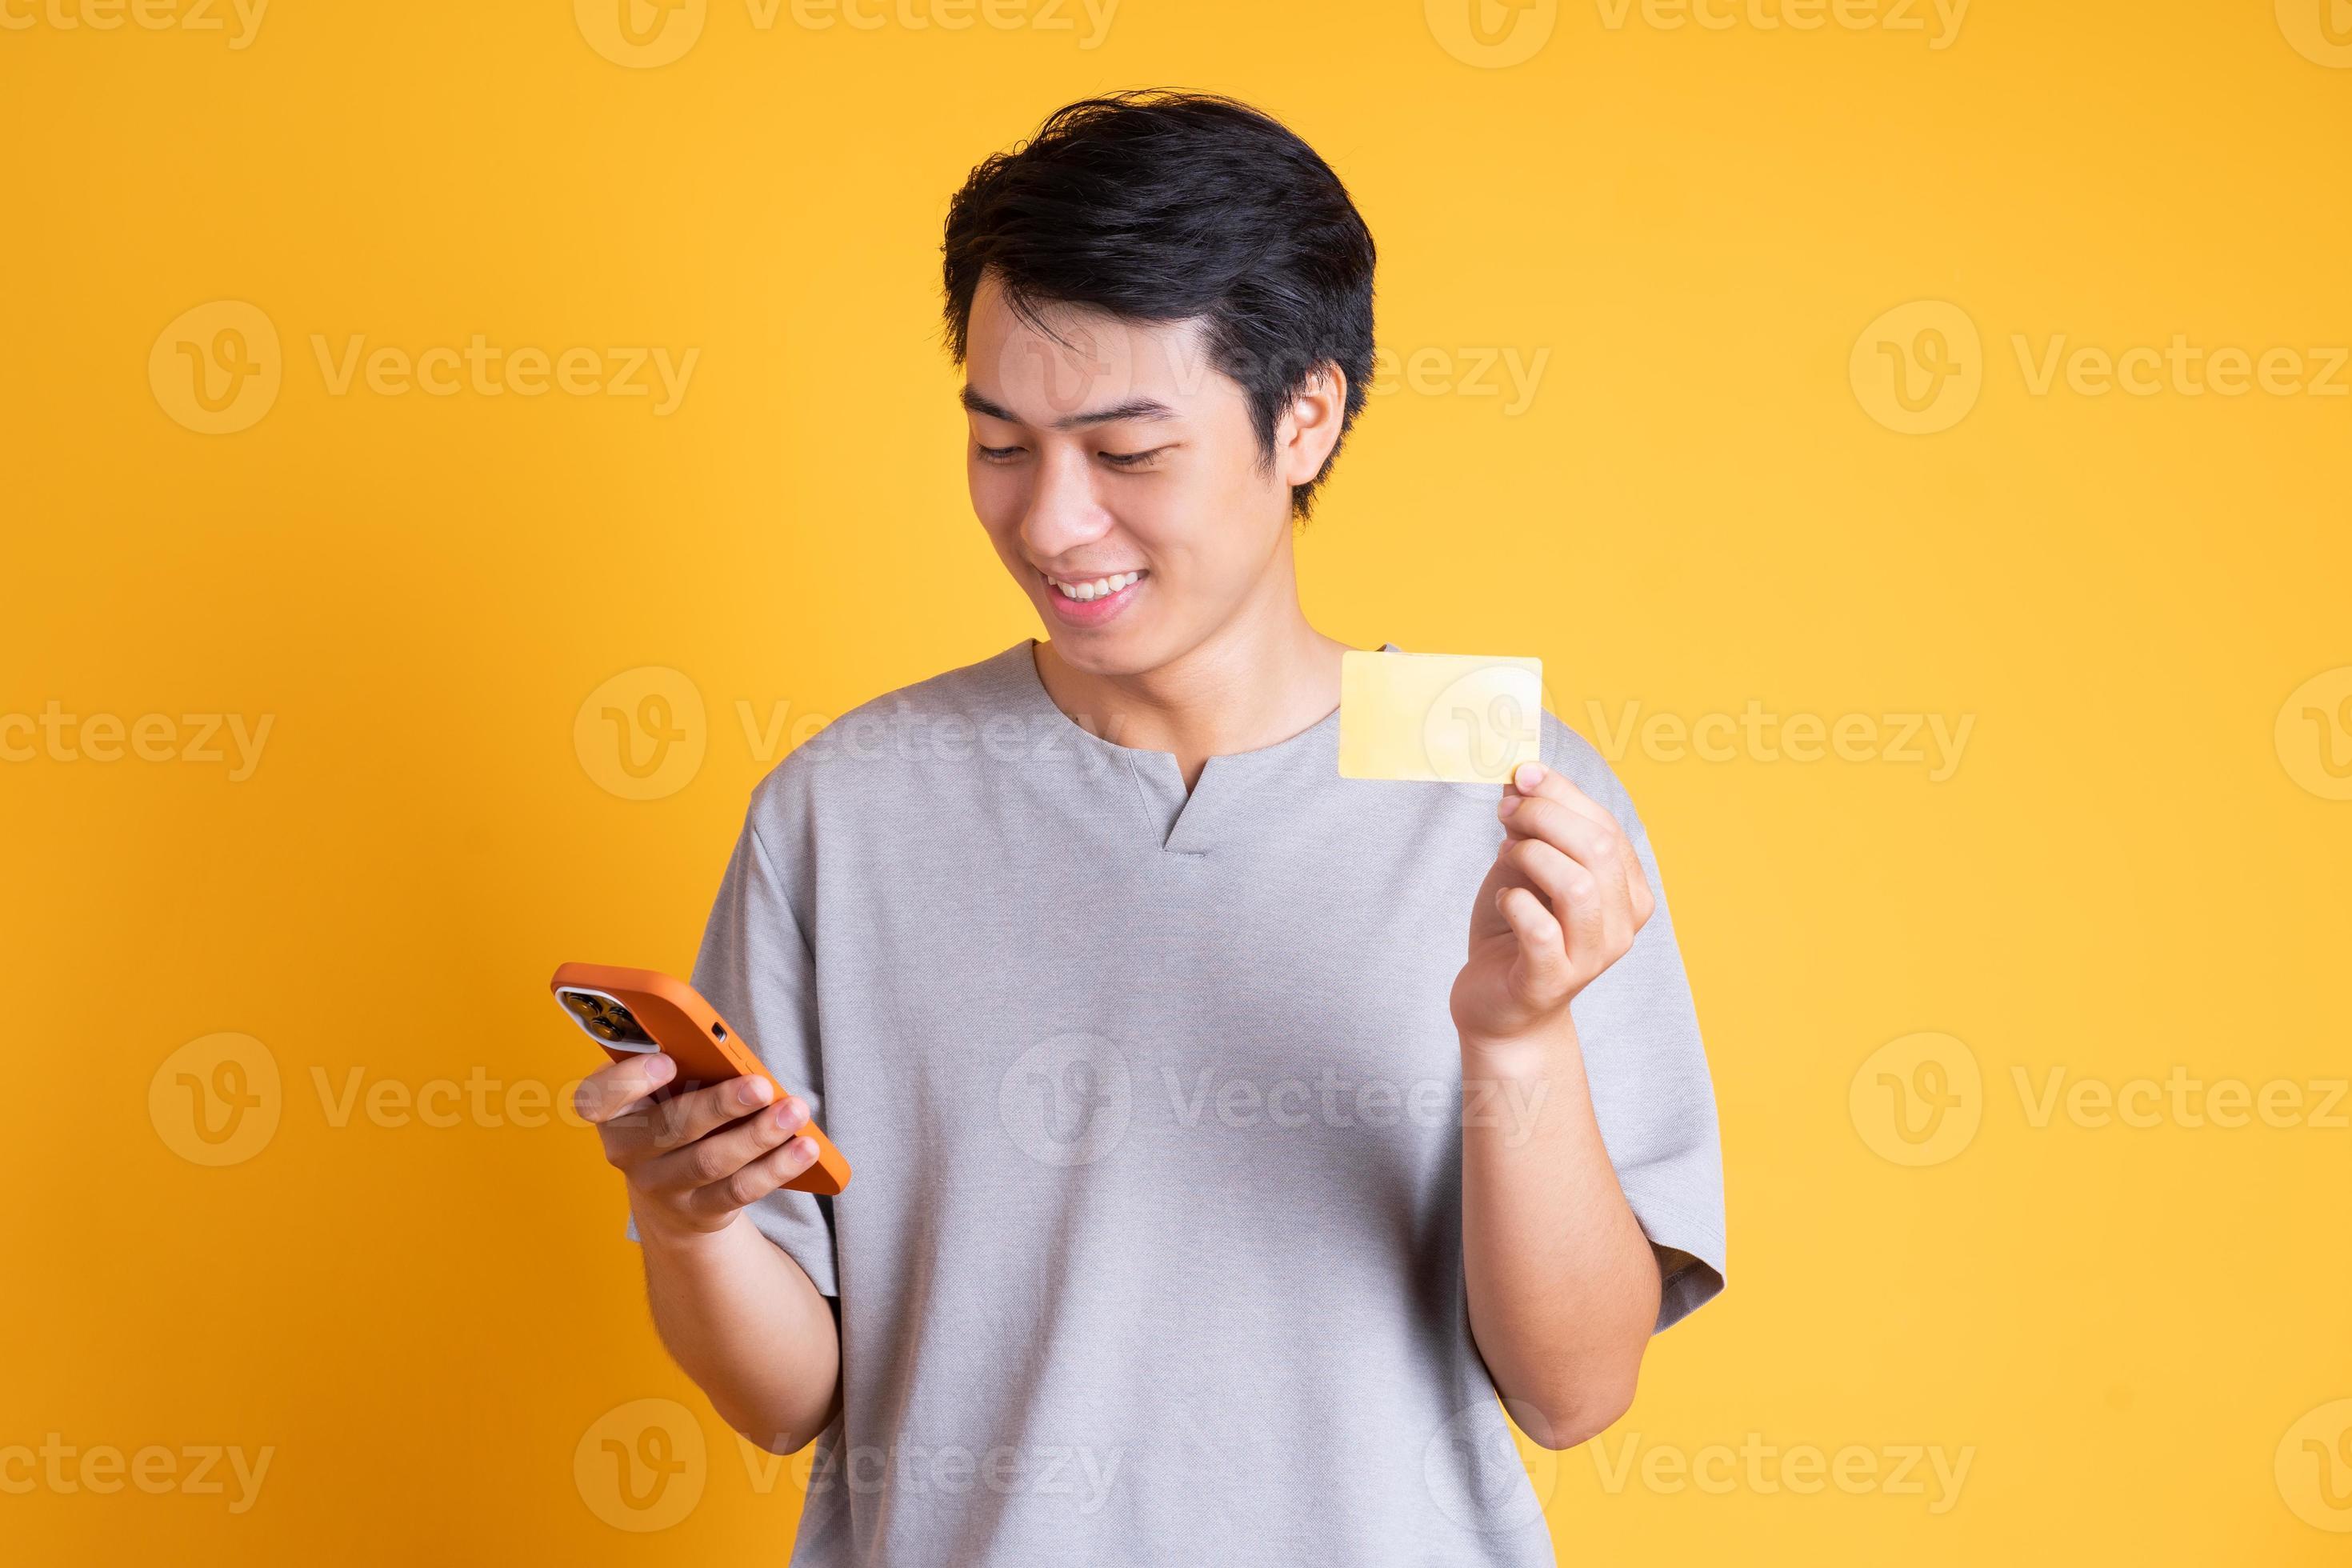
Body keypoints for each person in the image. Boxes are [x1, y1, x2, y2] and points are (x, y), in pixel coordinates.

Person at [574, 89, 1726, 1566]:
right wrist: (687, 1223)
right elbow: (789, 1398)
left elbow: (1574, 1394)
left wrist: (1517, 1039)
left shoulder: (1507, 798)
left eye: (1126, 454)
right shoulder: (844, 808)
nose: (1052, 524)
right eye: (1001, 445)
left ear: (1303, 417)